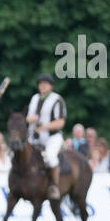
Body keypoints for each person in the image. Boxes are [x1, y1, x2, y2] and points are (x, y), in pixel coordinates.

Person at [24, 72, 66, 200]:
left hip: (52, 137)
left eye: (45, 84)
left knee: (50, 156)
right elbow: (28, 118)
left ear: (51, 86)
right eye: (41, 84)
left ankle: (54, 186)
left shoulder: (57, 99)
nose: (42, 86)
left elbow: (60, 122)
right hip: (34, 137)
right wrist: (32, 119)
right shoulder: (35, 98)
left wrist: (44, 126)